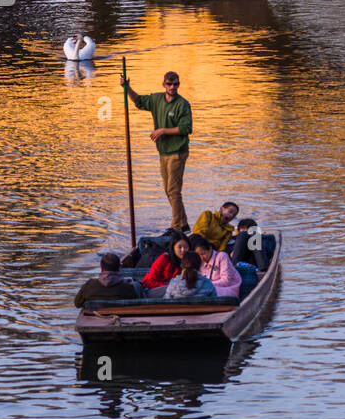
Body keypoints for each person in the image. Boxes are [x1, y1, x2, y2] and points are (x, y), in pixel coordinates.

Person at [120, 69, 194, 231]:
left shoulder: (182, 104)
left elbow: (186, 128)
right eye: (169, 84)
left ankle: (176, 228)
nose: (173, 87)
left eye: (176, 84)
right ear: (164, 85)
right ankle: (183, 224)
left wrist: (162, 131)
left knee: (173, 190)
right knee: (168, 190)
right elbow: (139, 101)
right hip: (163, 152)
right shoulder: (156, 99)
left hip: (177, 152)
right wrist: (127, 88)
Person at [74, 253, 140, 307]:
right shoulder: (129, 288)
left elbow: (77, 304)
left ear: (101, 268)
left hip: (97, 316)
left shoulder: (89, 285)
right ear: (119, 268)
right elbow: (138, 304)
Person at [189, 233, 243, 299]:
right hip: (209, 289)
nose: (201, 257)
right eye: (199, 255)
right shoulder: (200, 261)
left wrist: (207, 285)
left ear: (210, 249)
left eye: (203, 254)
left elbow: (226, 281)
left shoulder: (222, 256)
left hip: (228, 289)